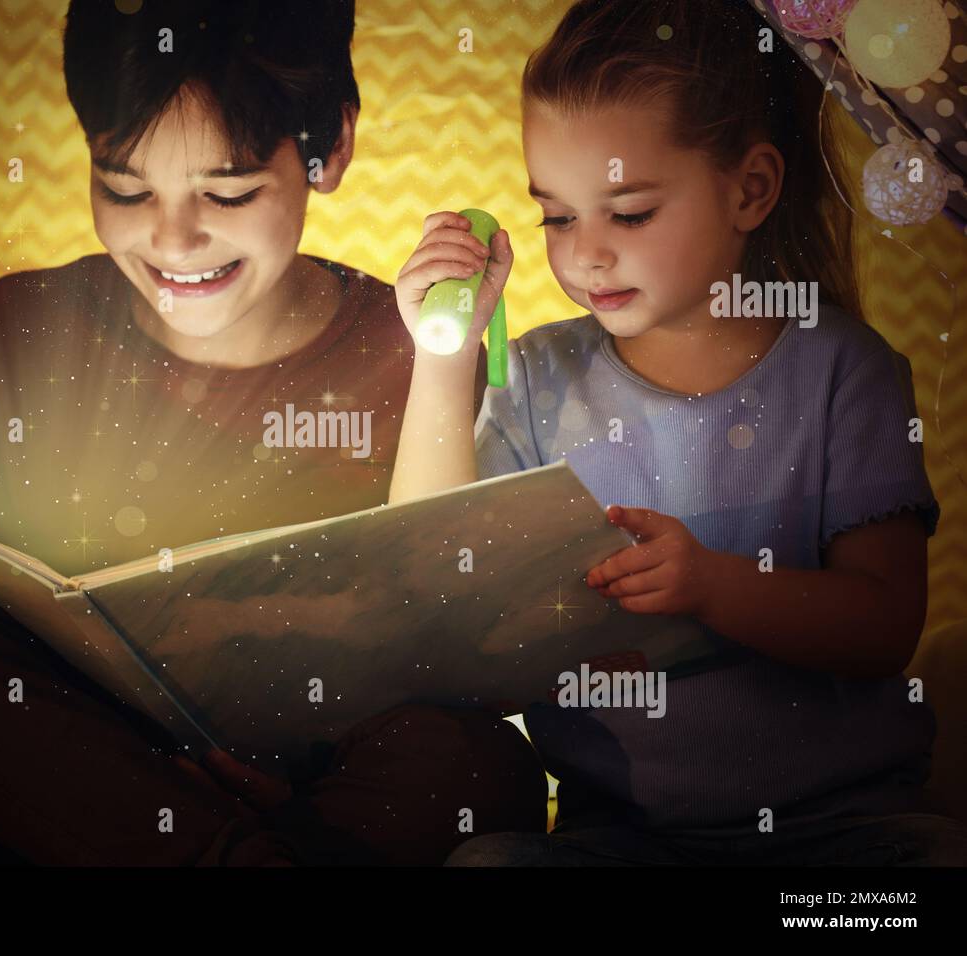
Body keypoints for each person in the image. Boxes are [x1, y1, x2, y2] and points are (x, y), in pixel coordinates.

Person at [0, 0, 545, 865]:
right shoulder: (35, 320)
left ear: (331, 151)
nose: (173, 238)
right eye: (125, 188)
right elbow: (25, 620)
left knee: (477, 765)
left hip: (314, 772)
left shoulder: (417, 345)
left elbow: (433, 629)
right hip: (108, 761)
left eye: (229, 190)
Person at [390, 0, 967, 865]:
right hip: (616, 841)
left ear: (751, 190)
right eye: (556, 216)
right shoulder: (540, 380)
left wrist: (712, 588)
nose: (584, 254)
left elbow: (883, 629)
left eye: (627, 213)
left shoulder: (846, 373)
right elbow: (427, 578)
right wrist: (443, 358)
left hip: (840, 834)